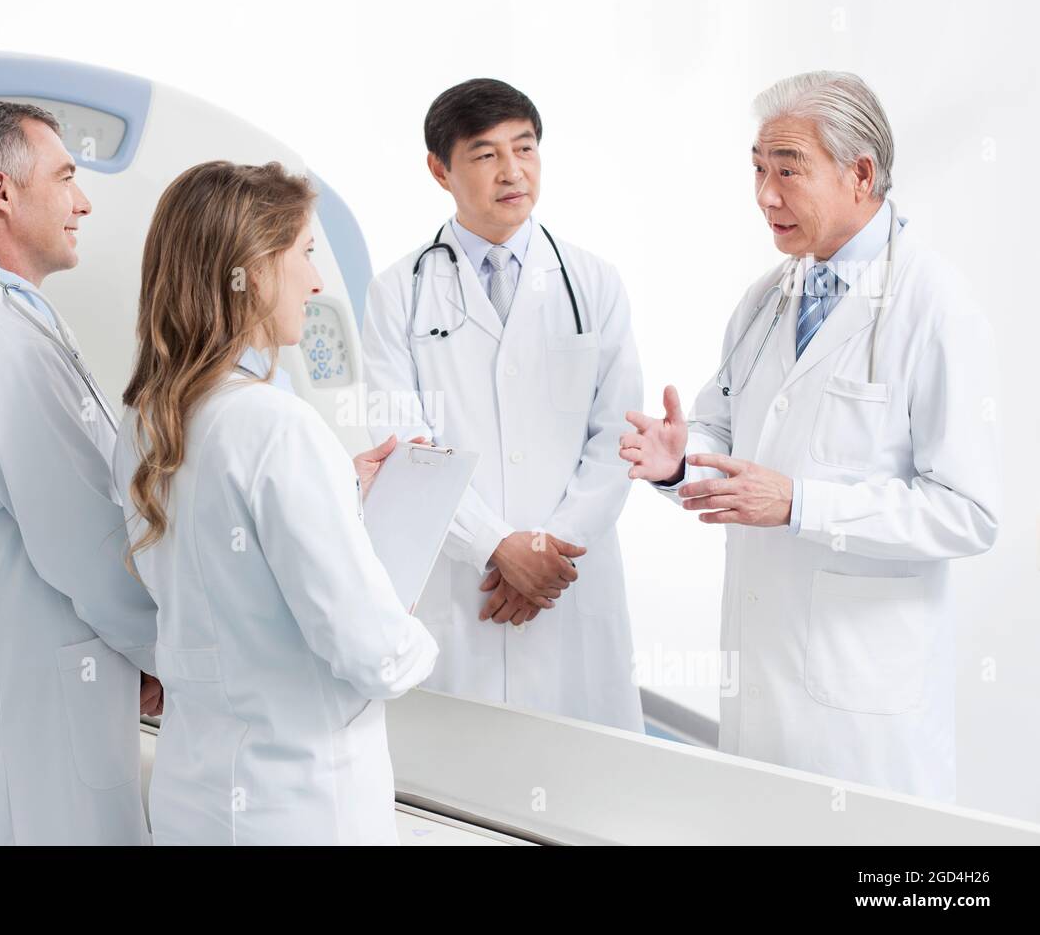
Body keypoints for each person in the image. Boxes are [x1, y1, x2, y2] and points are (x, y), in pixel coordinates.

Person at [620, 71, 1001, 801]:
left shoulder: (936, 306)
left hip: (865, 716)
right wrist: (678, 463)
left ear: (860, 174)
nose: (765, 194)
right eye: (758, 169)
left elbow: (970, 512)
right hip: (760, 686)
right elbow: (721, 435)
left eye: (787, 170)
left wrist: (802, 505)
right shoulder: (768, 299)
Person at [113, 160, 439, 845]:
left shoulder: (146, 422)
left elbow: (216, 567)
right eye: (306, 254)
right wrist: (407, 622)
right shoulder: (279, 427)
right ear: (254, 269)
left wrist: (337, 494)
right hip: (299, 807)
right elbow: (372, 652)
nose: (316, 281)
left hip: (192, 797)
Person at [0, 101, 161, 845]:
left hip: (11, 705)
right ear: (2, 192)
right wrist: (170, 655)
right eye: (66, 177)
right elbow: (87, 552)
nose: (82, 201)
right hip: (35, 730)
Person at [360, 79, 644, 730]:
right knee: (461, 797)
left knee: (589, 792)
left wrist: (550, 547)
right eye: (486, 154)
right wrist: (496, 547)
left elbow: (618, 437)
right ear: (440, 169)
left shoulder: (593, 283)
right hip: (466, 586)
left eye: (525, 148)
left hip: (566, 580)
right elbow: (407, 448)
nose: (513, 171)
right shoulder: (397, 293)